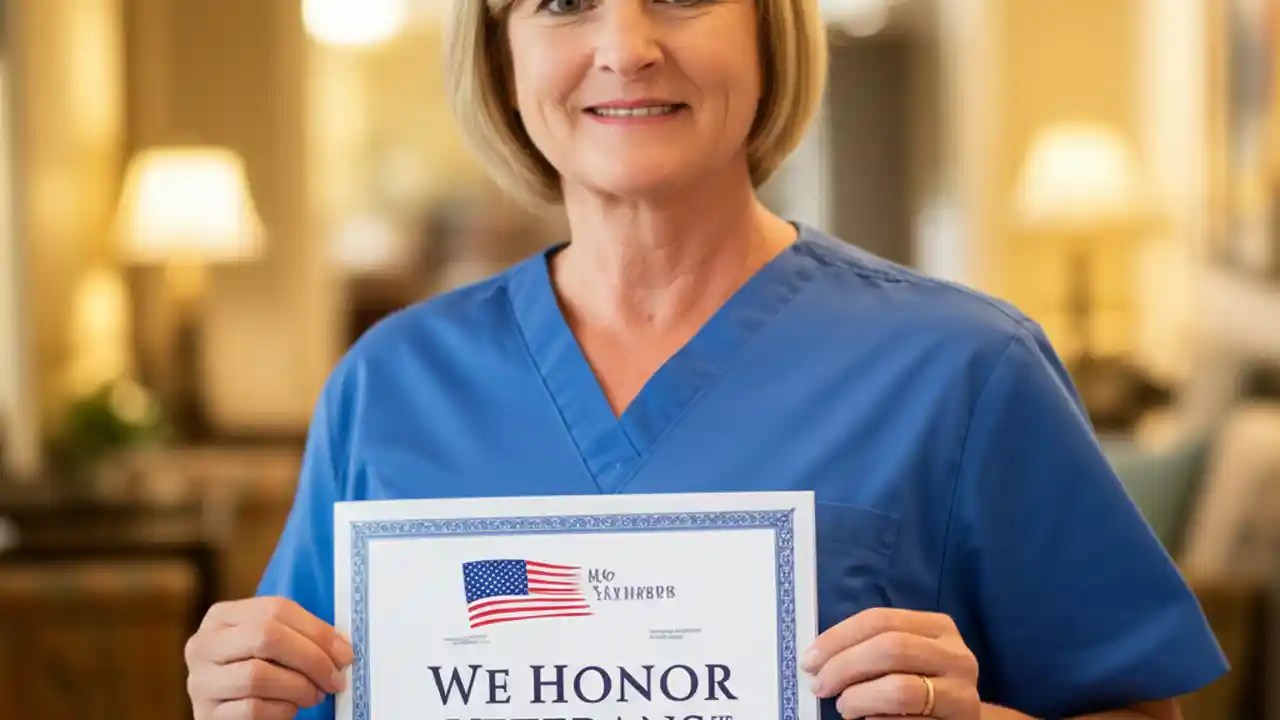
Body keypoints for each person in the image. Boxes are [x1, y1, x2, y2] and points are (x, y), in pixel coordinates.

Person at [183, 0, 1228, 716]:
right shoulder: (391, 386)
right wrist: (240, 692)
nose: (625, 46)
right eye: (558, 0)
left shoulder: (964, 370)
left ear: (769, 29)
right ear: (498, 50)